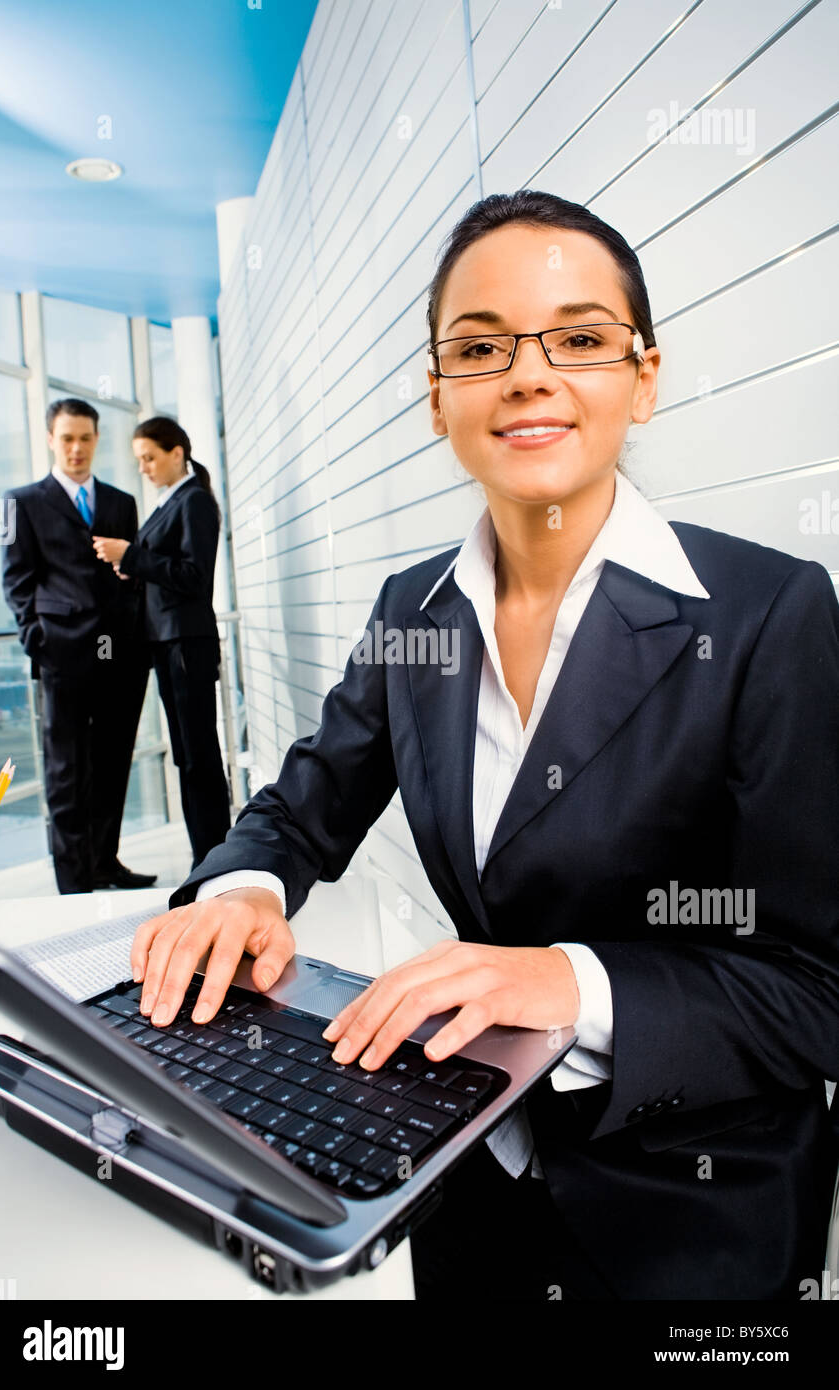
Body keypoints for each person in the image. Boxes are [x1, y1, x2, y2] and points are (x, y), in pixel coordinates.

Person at [123, 192, 839, 1301]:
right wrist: (242, 889)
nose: (528, 375)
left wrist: (568, 980)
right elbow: (306, 802)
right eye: (479, 346)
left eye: (580, 339)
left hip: (688, 1218)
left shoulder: (767, 613)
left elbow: (816, 990)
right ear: (437, 397)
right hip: (461, 1172)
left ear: (643, 379)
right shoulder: (413, 609)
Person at [2, 398, 155, 893]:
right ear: (51, 439)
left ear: (96, 439)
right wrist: (38, 640)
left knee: (112, 763)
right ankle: (73, 882)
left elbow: (132, 575)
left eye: (85, 438)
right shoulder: (21, 502)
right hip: (61, 656)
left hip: (119, 655)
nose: (76, 448)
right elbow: (17, 581)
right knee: (66, 772)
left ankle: (104, 862)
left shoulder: (120, 503)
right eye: (67, 438)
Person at [92, 418, 232, 870]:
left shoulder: (194, 502)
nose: (144, 468)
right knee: (189, 756)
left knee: (198, 757)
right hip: (168, 643)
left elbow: (194, 576)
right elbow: (168, 570)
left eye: (150, 458)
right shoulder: (171, 501)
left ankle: (214, 858)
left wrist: (131, 555)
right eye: (139, 460)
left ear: (177, 453)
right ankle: (207, 855)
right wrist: (133, 566)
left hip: (185, 644)